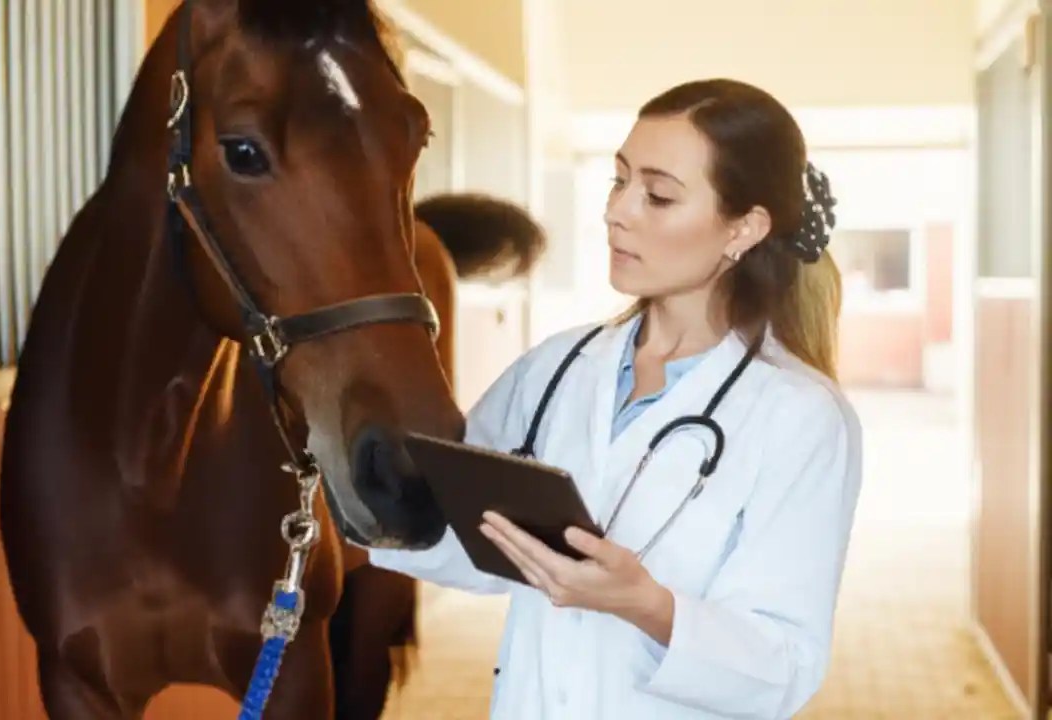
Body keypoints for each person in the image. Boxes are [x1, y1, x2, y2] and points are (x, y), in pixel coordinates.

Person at [367, 78, 864, 719]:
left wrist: (645, 604)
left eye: (658, 196)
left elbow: (785, 667)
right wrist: (363, 502)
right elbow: (470, 543)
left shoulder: (802, 418)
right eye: (619, 180)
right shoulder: (558, 368)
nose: (618, 211)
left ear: (744, 228)